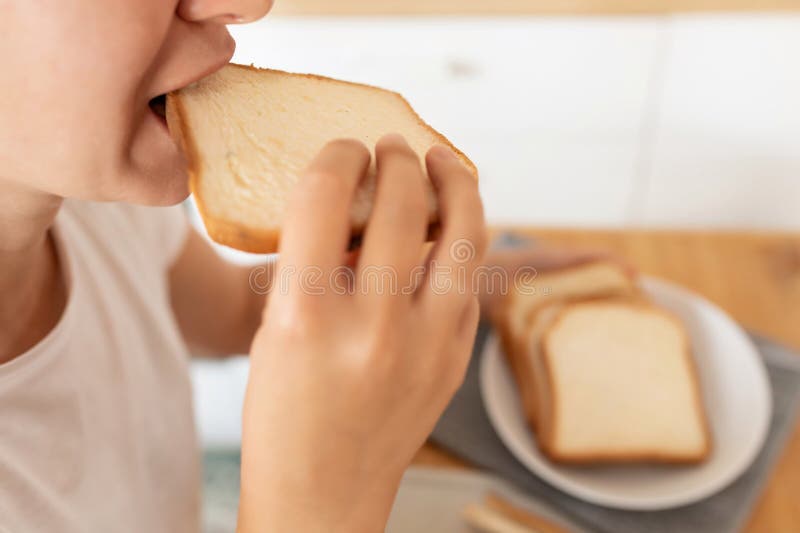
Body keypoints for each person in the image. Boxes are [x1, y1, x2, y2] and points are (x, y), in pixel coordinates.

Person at [0, 1, 609, 531]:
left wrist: (417, 285)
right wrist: (324, 498)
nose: (249, 5)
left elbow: (235, 309)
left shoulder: (91, 207)